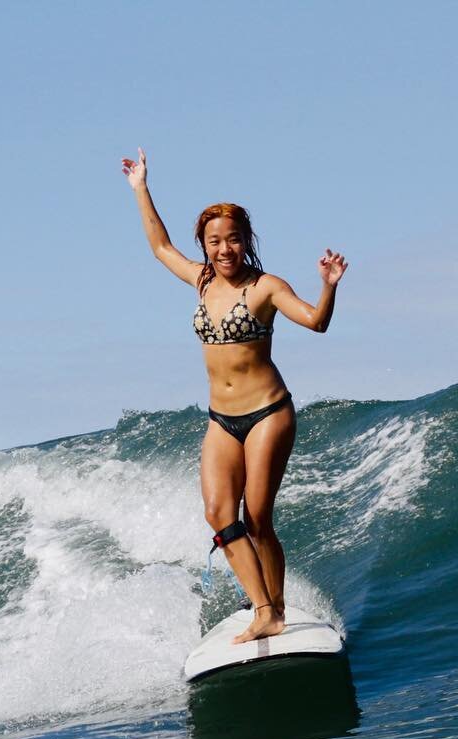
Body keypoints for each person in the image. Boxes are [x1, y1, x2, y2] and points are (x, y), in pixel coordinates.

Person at [121, 148, 347, 642]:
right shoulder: (200, 281)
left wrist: (327, 286)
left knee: (257, 516)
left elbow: (316, 322)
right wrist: (140, 187)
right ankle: (262, 607)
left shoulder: (266, 287)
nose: (223, 250)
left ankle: (276, 610)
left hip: (268, 412)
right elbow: (160, 247)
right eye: (213, 241)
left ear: (246, 241)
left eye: (233, 240)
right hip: (222, 419)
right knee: (220, 516)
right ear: (204, 245)